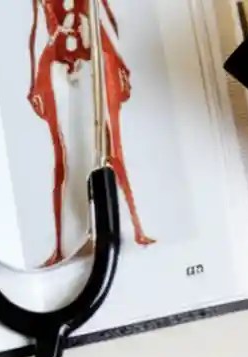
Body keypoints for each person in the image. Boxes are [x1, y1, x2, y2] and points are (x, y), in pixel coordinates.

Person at [28, 0, 155, 267]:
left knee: (113, 150)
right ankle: (63, 245)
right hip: (58, 66)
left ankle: (135, 229)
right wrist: (36, 84)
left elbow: (109, 25)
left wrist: (122, 69)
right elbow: (37, 33)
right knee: (64, 156)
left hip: (97, 64)